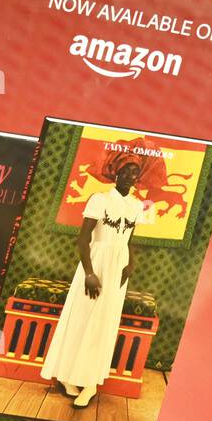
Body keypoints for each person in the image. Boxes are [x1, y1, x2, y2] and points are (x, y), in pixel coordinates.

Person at [41, 151, 151, 408]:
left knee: (105, 322)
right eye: (125, 172)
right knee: (81, 317)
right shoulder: (99, 199)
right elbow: (83, 238)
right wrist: (89, 273)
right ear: (116, 173)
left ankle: (90, 384)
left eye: (134, 174)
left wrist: (130, 263)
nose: (129, 177)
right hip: (95, 263)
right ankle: (67, 376)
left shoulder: (136, 206)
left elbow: (129, 239)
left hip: (118, 267)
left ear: (137, 179)